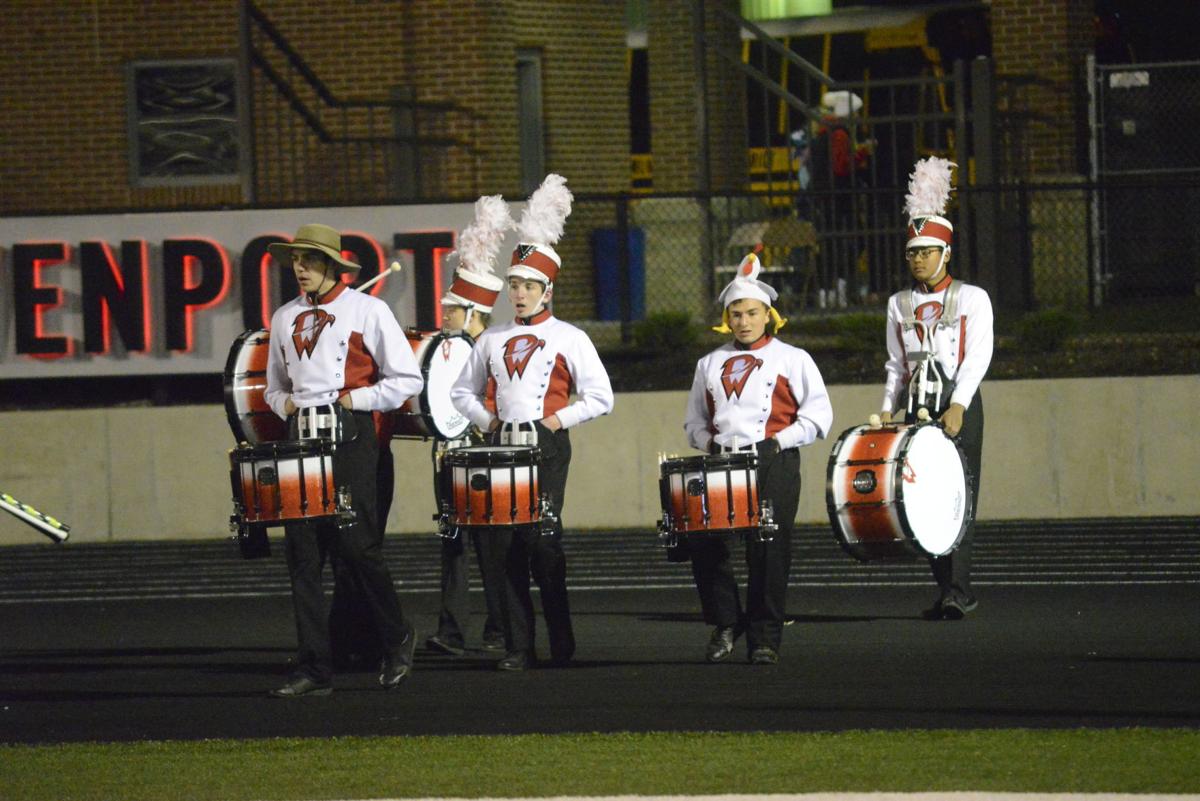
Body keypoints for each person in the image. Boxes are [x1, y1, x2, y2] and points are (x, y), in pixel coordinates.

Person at [450, 174, 614, 671]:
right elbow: (461, 391)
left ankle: (561, 639)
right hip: (501, 450)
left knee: (542, 543)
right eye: (515, 285)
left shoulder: (570, 337)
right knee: (504, 550)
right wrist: (490, 421)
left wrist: (556, 421)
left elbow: (601, 396)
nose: (519, 294)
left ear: (547, 290)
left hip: (546, 448)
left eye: (528, 286)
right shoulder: (491, 338)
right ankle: (519, 646)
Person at [263, 223, 424, 697]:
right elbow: (273, 386)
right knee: (303, 555)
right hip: (300, 439)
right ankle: (315, 667)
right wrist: (285, 405)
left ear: (333, 266)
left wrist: (357, 400)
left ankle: (397, 637)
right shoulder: (283, 317)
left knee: (357, 548)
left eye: (310, 260)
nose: (300, 268)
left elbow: (407, 379)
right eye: (296, 261)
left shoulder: (368, 310)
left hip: (351, 437)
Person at [682, 252, 833, 665]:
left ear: (769, 315)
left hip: (773, 461)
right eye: (736, 314)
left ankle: (764, 638)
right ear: (726, 319)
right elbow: (694, 421)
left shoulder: (793, 358)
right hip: (723, 463)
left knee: (768, 550)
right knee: (706, 543)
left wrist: (778, 443)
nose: (744, 321)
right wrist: (708, 443)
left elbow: (819, 416)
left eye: (752, 313)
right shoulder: (709, 363)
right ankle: (726, 621)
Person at [878, 157, 994, 620]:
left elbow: (978, 356)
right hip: (916, 403)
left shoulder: (972, 298)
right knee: (920, 499)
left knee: (958, 495)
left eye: (927, 251)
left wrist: (959, 405)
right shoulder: (898, 303)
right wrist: (887, 408)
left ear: (946, 253)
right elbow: (896, 363)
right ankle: (946, 589)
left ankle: (958, 590)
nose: (919, 259)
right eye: (913, 252)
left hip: (955, 402)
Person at [425, 195, 512, 657]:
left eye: (452, 311)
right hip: (450, 456)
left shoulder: (497, 349)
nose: (444, 316)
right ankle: (452, 631)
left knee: (492, 546)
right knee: (453, 543)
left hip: (487, 457)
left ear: (474, 314)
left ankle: (500, 628)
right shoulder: (446, 350)